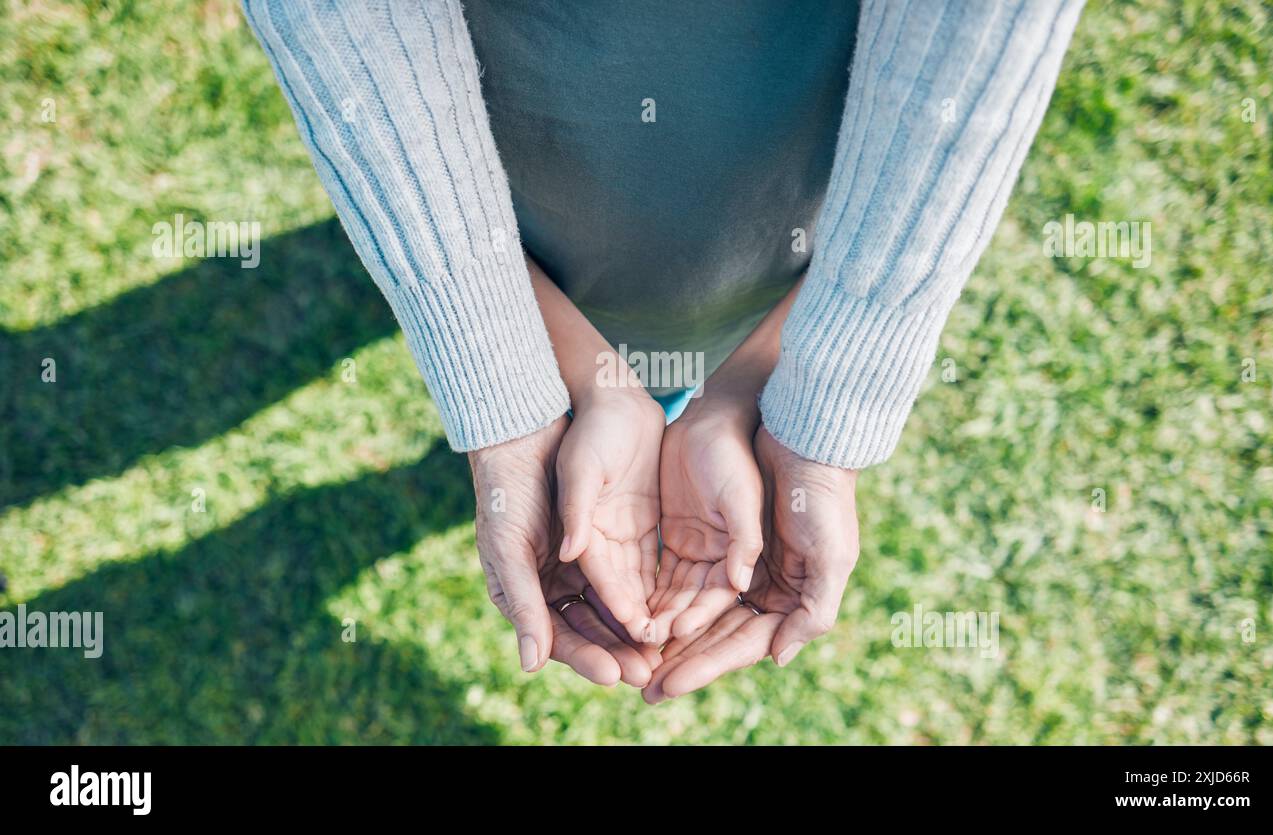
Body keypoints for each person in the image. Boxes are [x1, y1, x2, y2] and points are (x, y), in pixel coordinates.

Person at [242, 0, 1083, 701]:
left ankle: (651, 396)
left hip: (787, 191)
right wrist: (493, 358)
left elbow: (977, 36)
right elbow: (347, 31)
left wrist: (793, 394)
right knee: (456, 221)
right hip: (493, 151)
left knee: (667, 341)